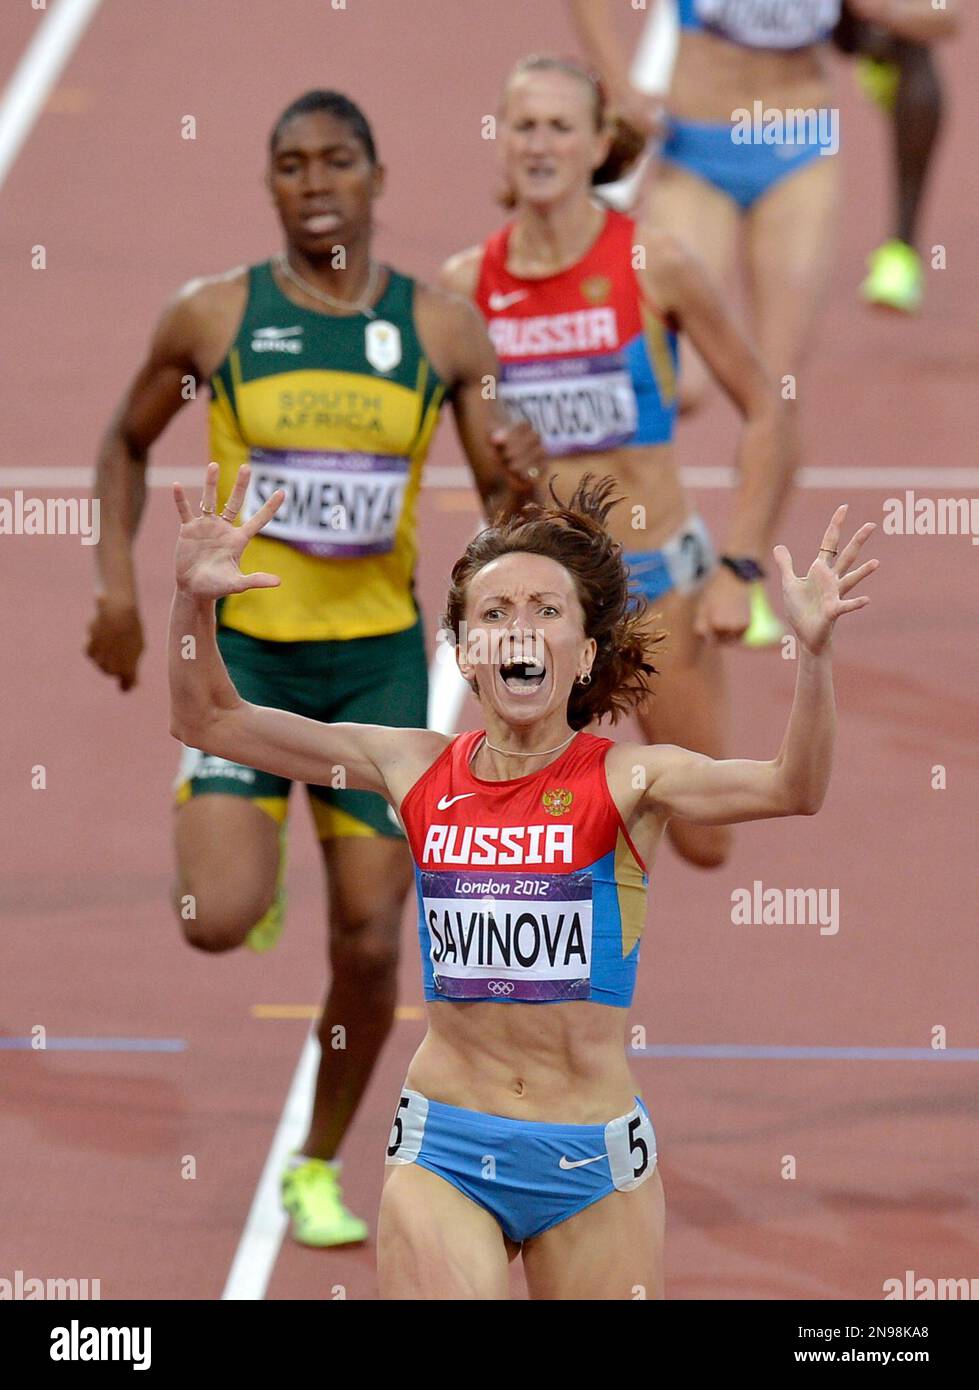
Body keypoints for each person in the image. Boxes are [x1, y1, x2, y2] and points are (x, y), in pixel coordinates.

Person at [168, 461, 877, 1299]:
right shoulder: (411, 766)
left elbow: (793, 786)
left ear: (582, 654)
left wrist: (814, 654)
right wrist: (194, 601)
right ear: (466, 653)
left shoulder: (633, 781)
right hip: (447, 1151)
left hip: (591, 1162)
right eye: (495, 614)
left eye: (547, 612)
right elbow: (208, 718)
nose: (518, 630)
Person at [86, 90, 543, 1247]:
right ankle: (244, 838)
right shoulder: (213, 319)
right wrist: (116, 591)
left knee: (375, 943)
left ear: (378, 177)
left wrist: (528, 495)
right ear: (272, 187)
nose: (314, 180)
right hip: (242, 665)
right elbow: (124, 443)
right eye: (289, 164)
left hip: (376, 671)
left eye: (337, 159)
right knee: (212, 915)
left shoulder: (442, 333)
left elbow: (506, 515)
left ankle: (315, 1162)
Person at [441, 55, 788, 873]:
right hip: (538, 604)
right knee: (530, 834)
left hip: (659, 584)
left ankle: (616, 807)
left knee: (707, 839)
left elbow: (771, 409)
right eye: (523, 125)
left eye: (560, 126)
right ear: (500, 141)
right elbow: (490, 489)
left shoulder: (652, 261)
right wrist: (515, 475)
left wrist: (741, 564)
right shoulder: (466, 288)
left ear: (599, 144)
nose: (539, 144)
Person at [833, 0, 960, 312]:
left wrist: (882, 12)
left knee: (918, 58)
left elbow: (947, 16)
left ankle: (900, 253)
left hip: (887, 44)